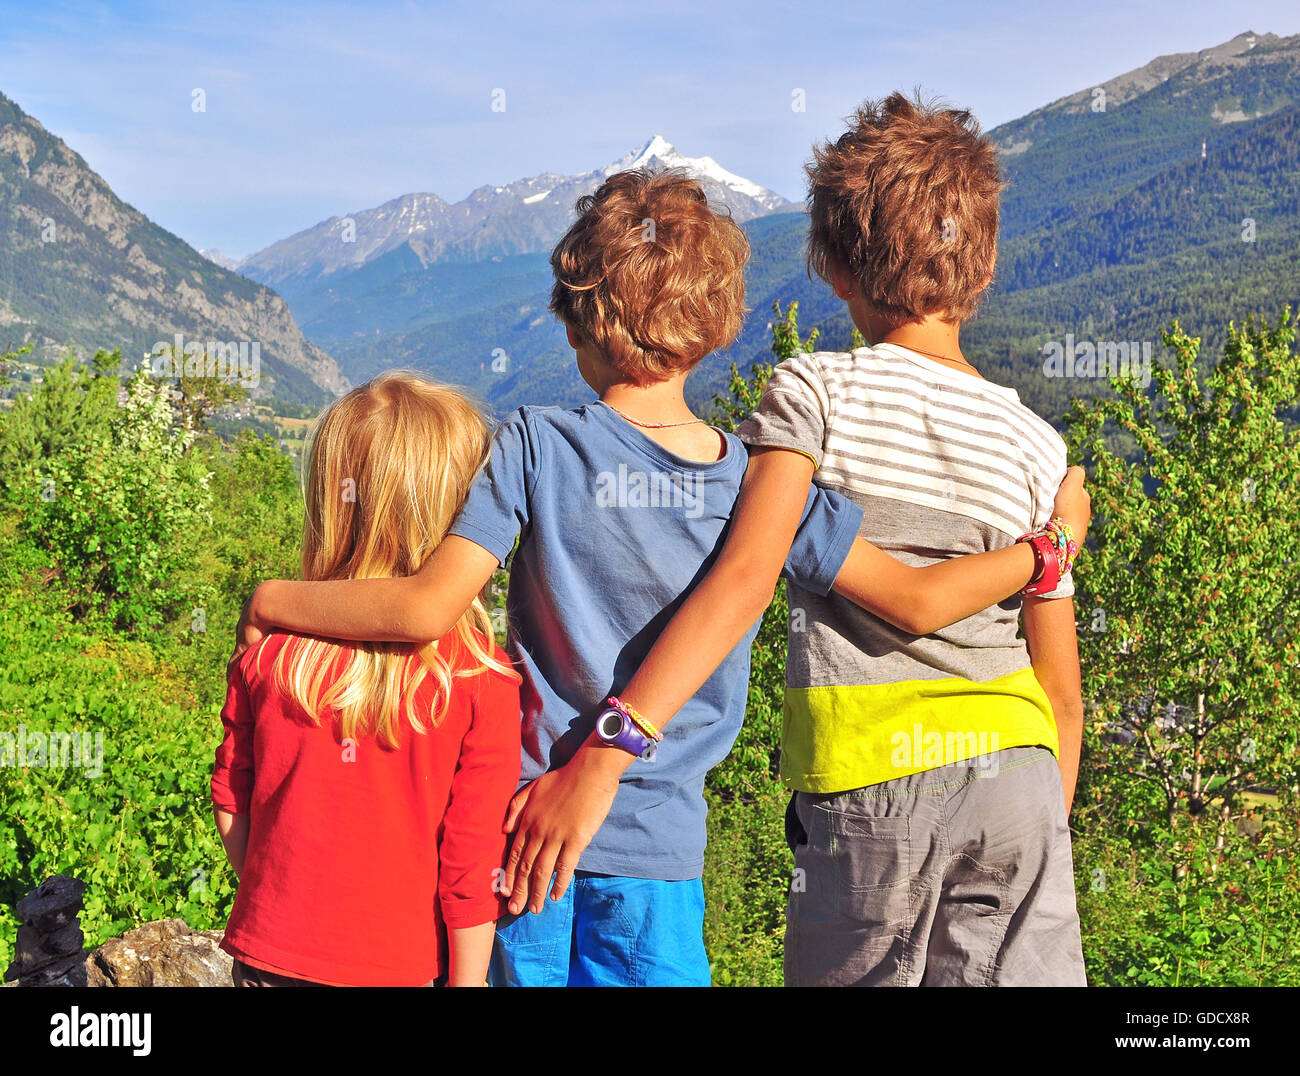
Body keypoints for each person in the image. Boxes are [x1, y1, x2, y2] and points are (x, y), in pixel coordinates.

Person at [236, 168, 1088, 986]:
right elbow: (916, 600)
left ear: (573, 328)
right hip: (660, 855)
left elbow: (426, 608)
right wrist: (1046, 547)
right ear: (718, 330)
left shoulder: (536, 444)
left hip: (528, 835)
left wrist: (273, 602)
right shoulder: (762, 485)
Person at [576, 95, 1092, 986]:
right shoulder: (1041, 449)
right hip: (1022, 776)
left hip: (874, 780)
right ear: (987, 263)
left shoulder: (815, 391)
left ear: (835, 267)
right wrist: (1043, 819)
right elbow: (1063, 692)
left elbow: (746, 574)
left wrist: (619, 737)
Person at [211, 372, 522, 987]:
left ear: (331, 505)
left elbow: (229, 797)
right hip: (402, 970)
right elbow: (469, 866)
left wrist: (276, 902)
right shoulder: (479, 676)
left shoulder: (271, 656)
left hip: (267, 957)